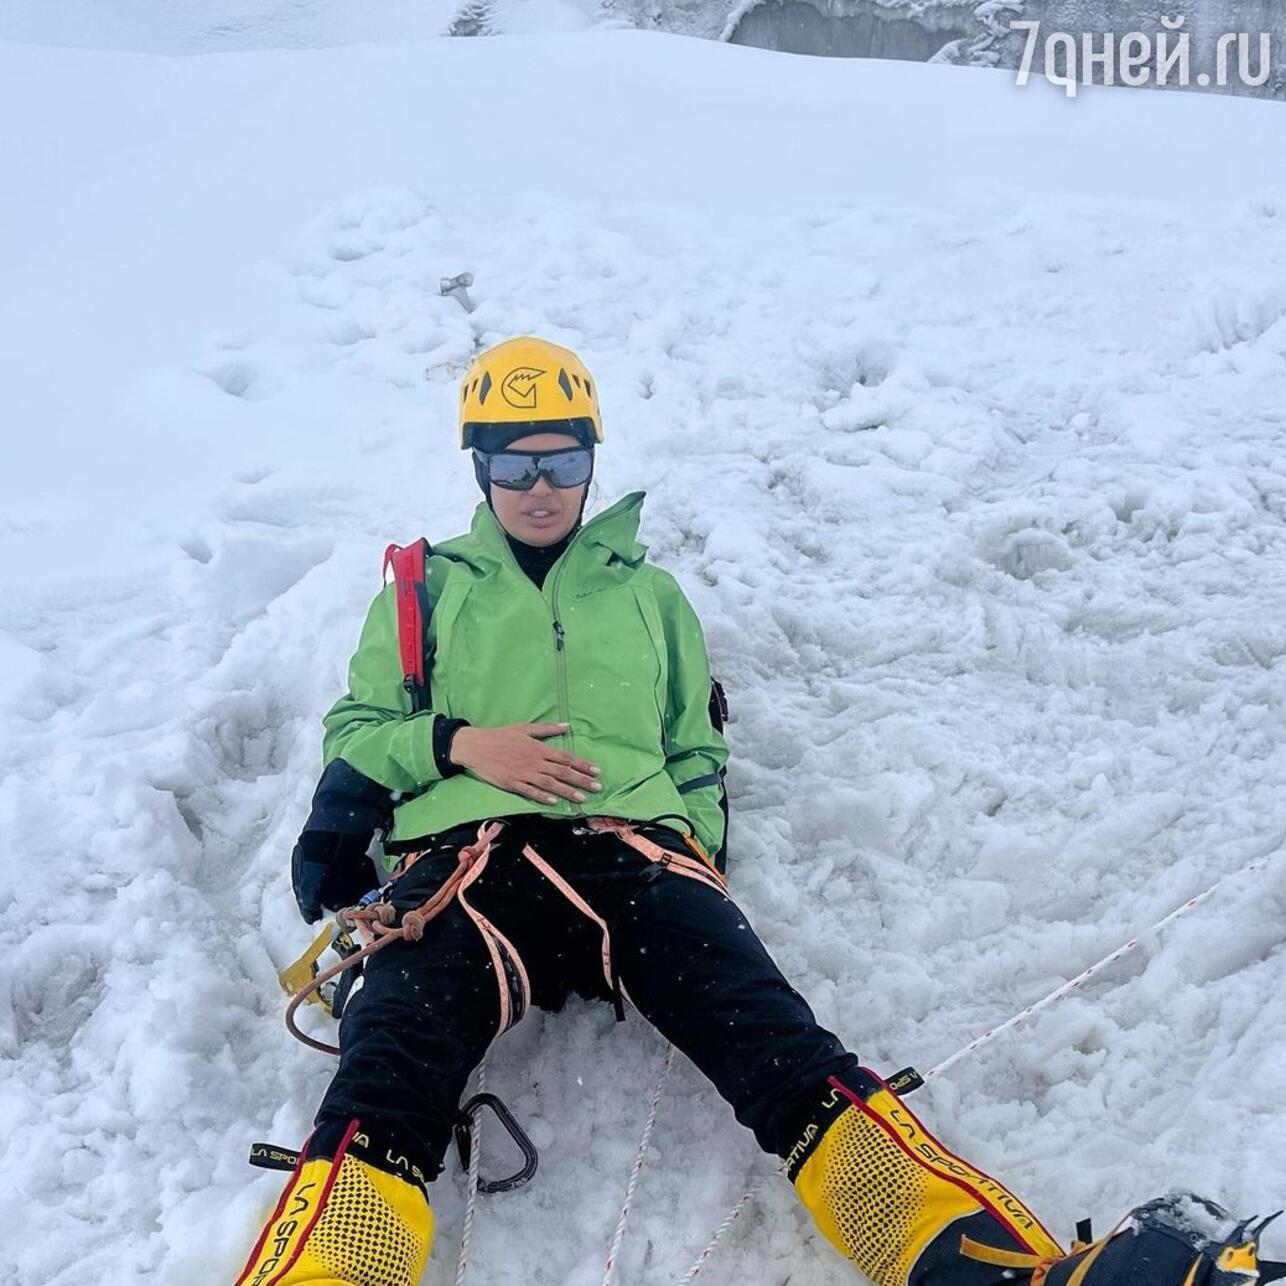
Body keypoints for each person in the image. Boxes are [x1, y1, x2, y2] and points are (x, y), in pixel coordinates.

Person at [233, 338, 1272, 1286]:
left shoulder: (650, 598)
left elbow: (693, 746)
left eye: (559, 460)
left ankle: (984, 1270)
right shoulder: (424, 589)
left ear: (589, 461)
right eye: (512, 463)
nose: (539, 486)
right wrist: (462, 745)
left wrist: (688, 848)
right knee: (385, 1078)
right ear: (479, 467)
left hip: (628, 860)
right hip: (463, 868)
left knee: (781, 1051)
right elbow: (362, 725)